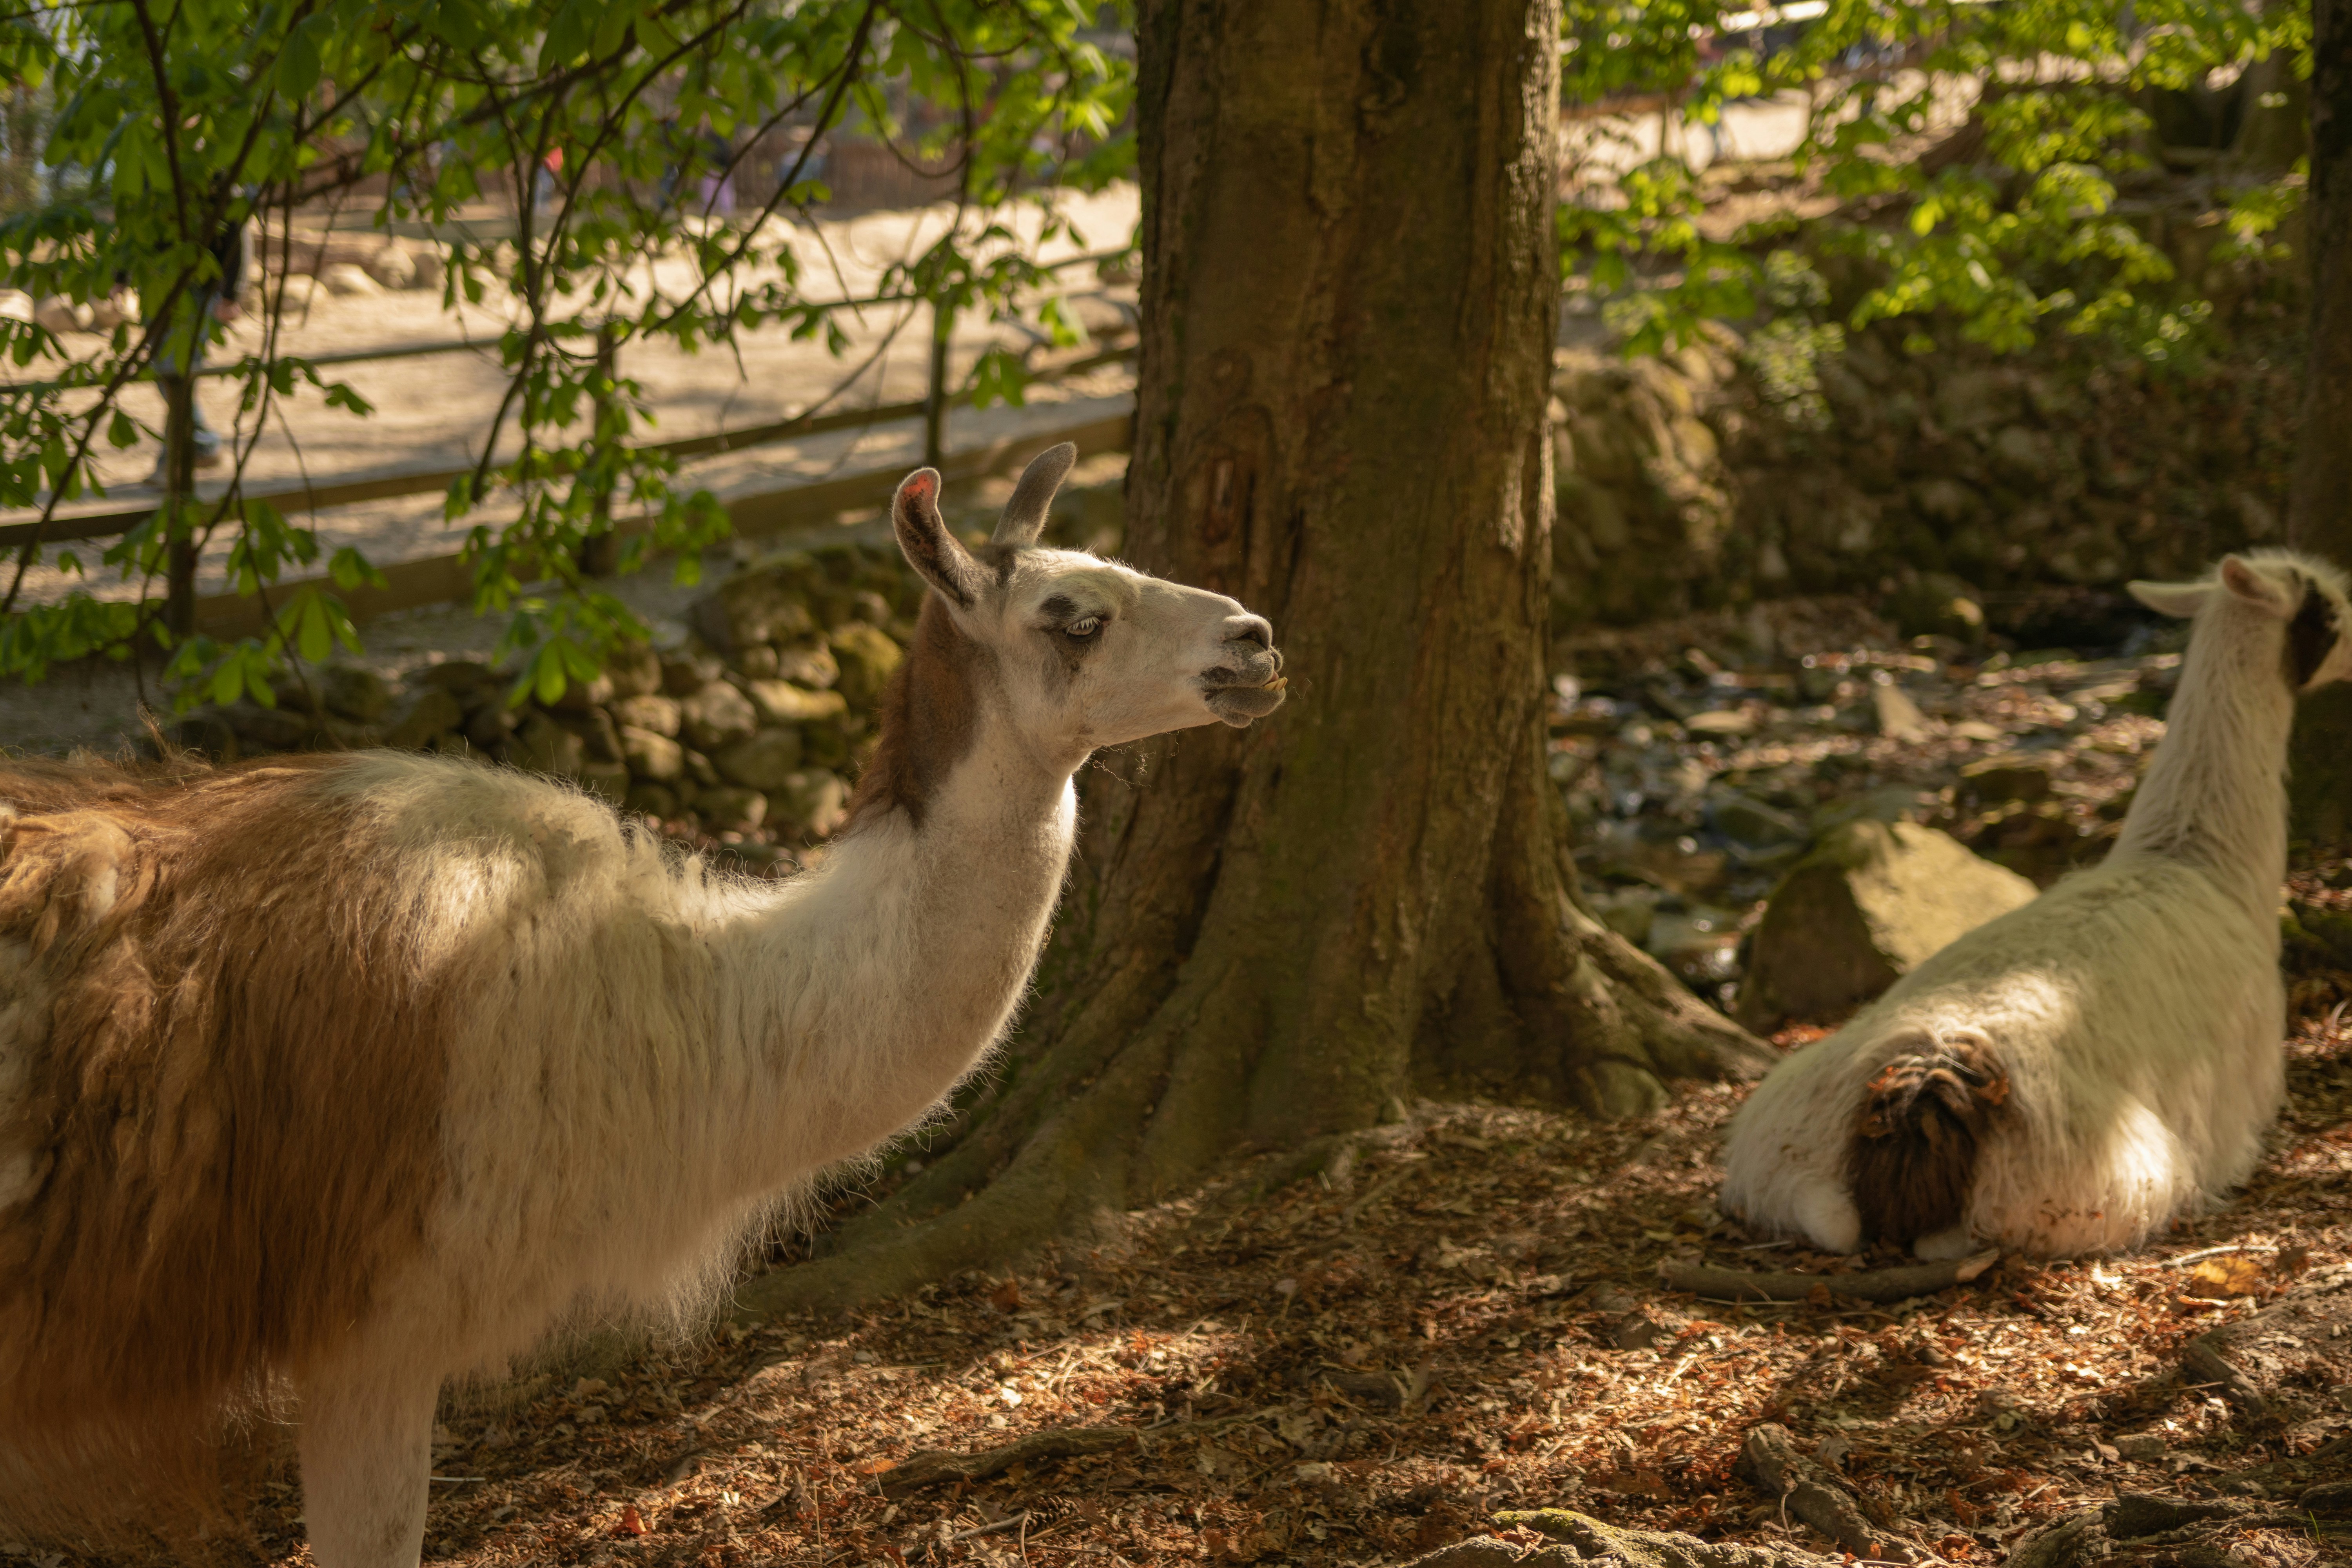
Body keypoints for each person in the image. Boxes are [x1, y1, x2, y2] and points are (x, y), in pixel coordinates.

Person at [149, 217, 246, 483]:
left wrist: (232, 294)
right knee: (163, 373)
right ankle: (203, 443)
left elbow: (237, 234)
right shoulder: (149, 181)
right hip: (155, 287)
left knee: (177, 373)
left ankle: (172, 466)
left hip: (200, 292)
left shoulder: (216, 179)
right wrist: (120, 278)